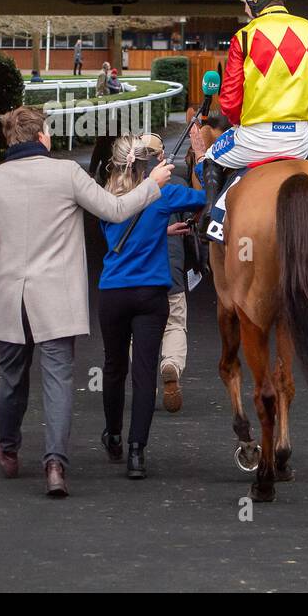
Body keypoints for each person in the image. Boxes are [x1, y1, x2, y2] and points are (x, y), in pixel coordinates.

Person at [0, 105, 173, 498]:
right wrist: (154, 183)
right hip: (57, 298)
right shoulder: (66, 174)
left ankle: (8, 448)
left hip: (13, 297)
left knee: (11, 379)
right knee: (58, 380)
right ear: (42, 136)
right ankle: (55, 465)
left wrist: (9, 271)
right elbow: (115, 211)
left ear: (11, 139)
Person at [198, 0, 308, 241]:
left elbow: (230, 104)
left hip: (254, 138)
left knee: (210, 158)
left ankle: (211, 219)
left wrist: (243, 122)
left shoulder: (245, 37)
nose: (243, 6)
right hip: (300, 139)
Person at [96, 134, 206, 479]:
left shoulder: (104, 196)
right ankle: (136, 452)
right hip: (150, 294)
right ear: (148, 162)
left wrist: (160, 229)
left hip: (113, 291)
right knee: (144, 374)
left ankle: (113, 434)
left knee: (114, 367)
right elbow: (205, 198)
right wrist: (199, 161)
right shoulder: (164, 193)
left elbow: (125, 224)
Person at [141, 133, 192, 414]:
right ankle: (170, 362)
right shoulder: (178, 185)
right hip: (170, 269)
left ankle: (144, 379)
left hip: (135, 273)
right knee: (174, 323)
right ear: (162, 156)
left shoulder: (125, 187)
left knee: (137, 331)